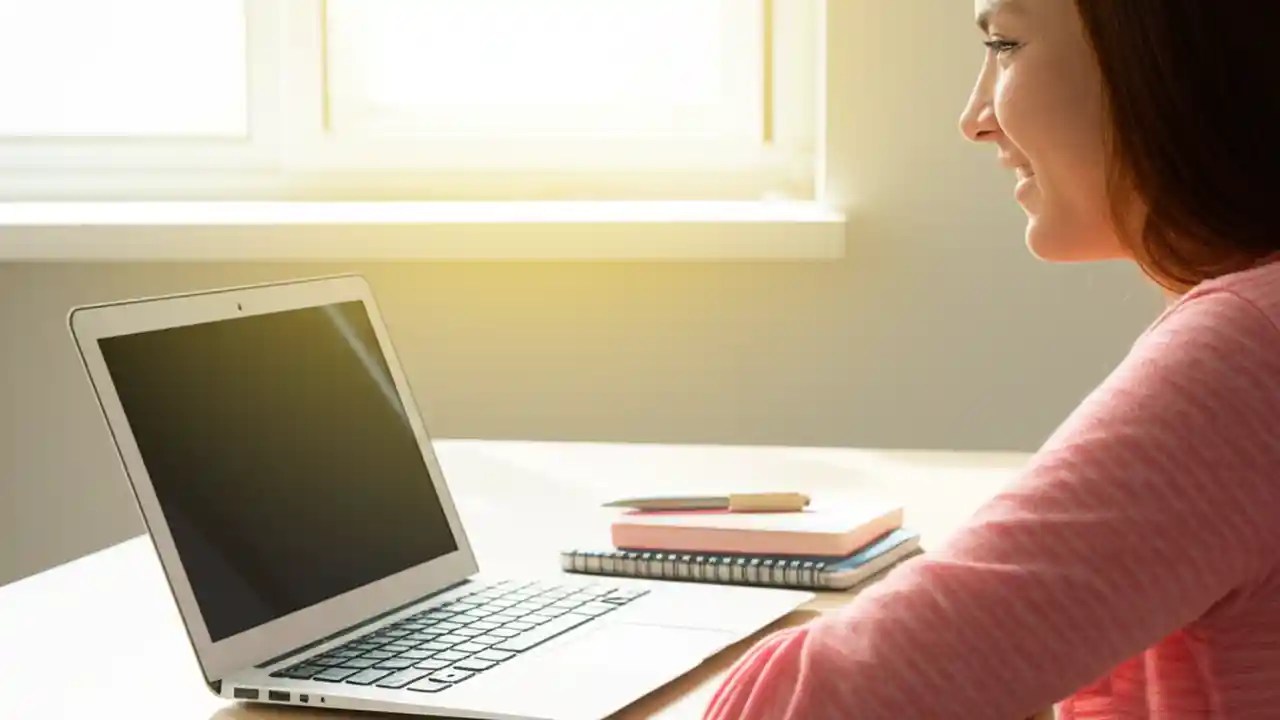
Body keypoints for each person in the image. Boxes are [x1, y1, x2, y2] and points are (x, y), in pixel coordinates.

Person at [703, 0, 1280, 718]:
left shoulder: (1248, 352)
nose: (975, 117)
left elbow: (815, 703)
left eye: (1005, 44)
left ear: (1170, 51)